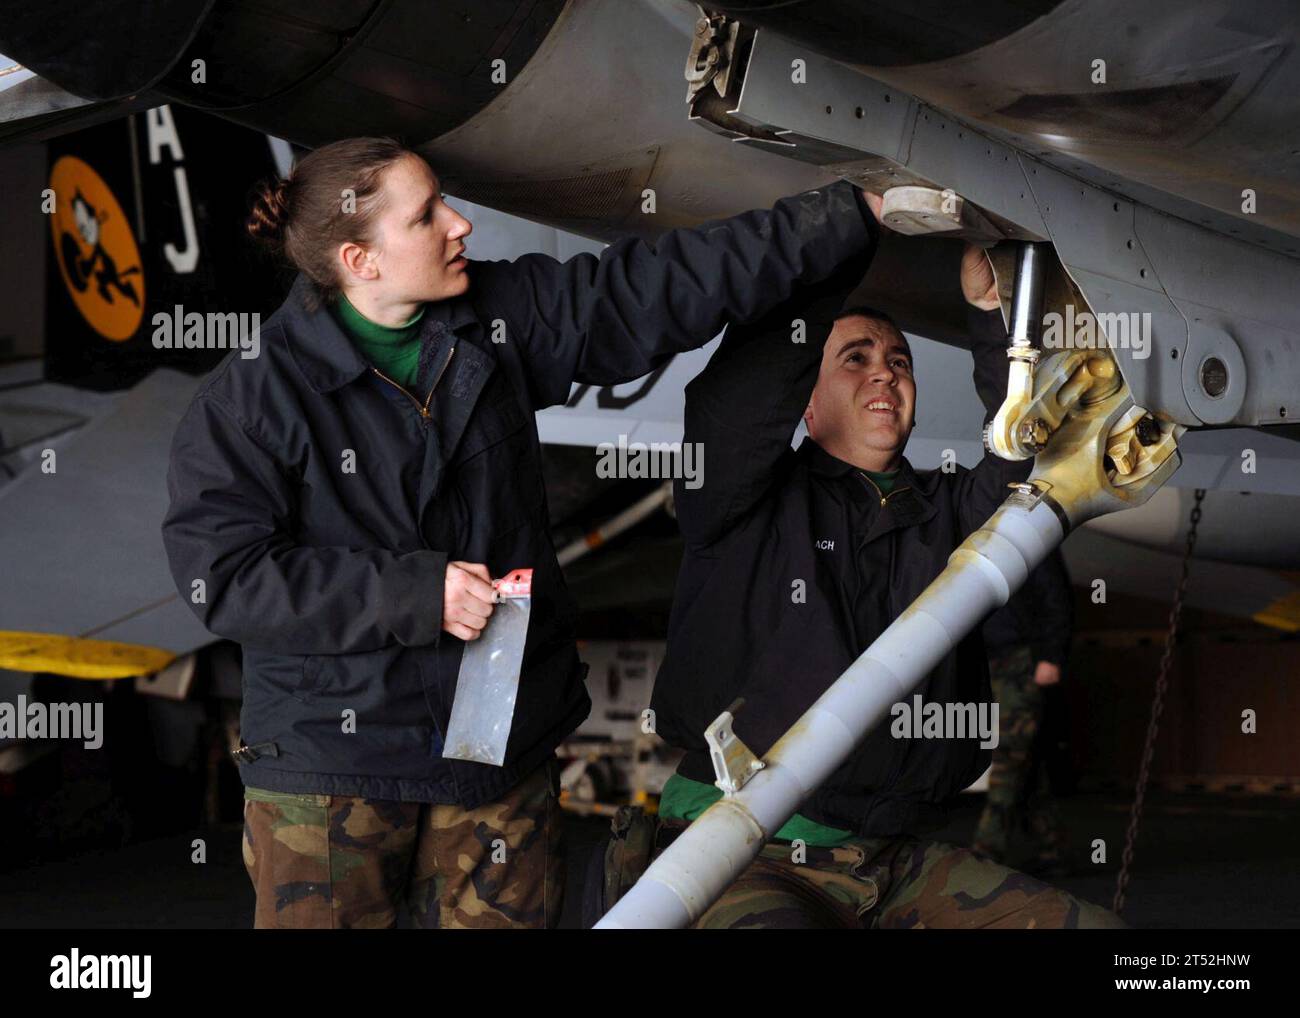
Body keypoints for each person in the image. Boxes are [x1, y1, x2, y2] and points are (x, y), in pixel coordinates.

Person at [159, 135, 880, 928]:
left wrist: (845, 215)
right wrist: (415, 594)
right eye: (428, 215)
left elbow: (651, 288)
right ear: (361, 261)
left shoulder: (493, 319)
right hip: (333, 769)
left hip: (496, 752)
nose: (460, 224)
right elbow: (224, 577)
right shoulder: (251, 399)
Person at [646, 225, 1126, 928]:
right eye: (855, 359)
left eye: (899, 361)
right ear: (806, 405)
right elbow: (731, 410)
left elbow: (1022, 458)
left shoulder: (949, 509)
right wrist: (833, 246)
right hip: (740, 845)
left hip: (890, 856)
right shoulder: (743, 503)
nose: (885, 372)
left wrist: (988, 313)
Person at [973, 548, 1074, 876]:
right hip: (992, 662)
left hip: (1022, 661)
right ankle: (1053, 845)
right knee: (1024, 759)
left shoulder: (1030, 538)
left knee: (1009, 756)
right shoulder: (977, 538)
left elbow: (1056, 598)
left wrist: (1052, 657)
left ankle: (985, 854)